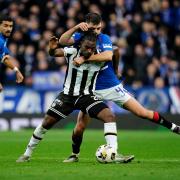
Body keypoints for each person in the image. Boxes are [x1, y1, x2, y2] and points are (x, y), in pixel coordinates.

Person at [59, 12, 180, 163]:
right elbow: (62, 42)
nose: (97, 31)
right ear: (86, 26)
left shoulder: (104, 38)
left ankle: (174, 127)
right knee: (80, 126)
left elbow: (110, 54)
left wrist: (89, 60)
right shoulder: (79, 38)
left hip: (111, 85)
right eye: (94, 29)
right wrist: (76, 27)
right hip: (90, 90)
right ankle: (74, 154)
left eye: (99, 28)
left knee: (142, 112)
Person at [16, 30, 133, 163]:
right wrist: (51, 47)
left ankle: (113, 153)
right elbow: (54, 53)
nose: (89, 50)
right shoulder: (72, 52)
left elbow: (115, 51)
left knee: (109, 116)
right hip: (67, 96)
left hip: (87, 97)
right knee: (46, 124)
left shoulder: (99, 57)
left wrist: (116, 71)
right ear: (80, 44)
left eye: (92, 48)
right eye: (86, 47)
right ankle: (27, 154)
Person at [0, 15, 24, 90]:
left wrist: (16, 70)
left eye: (11, 26)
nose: (9, 29)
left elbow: (5, 59)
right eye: (5, 26)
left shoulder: (3, 38)